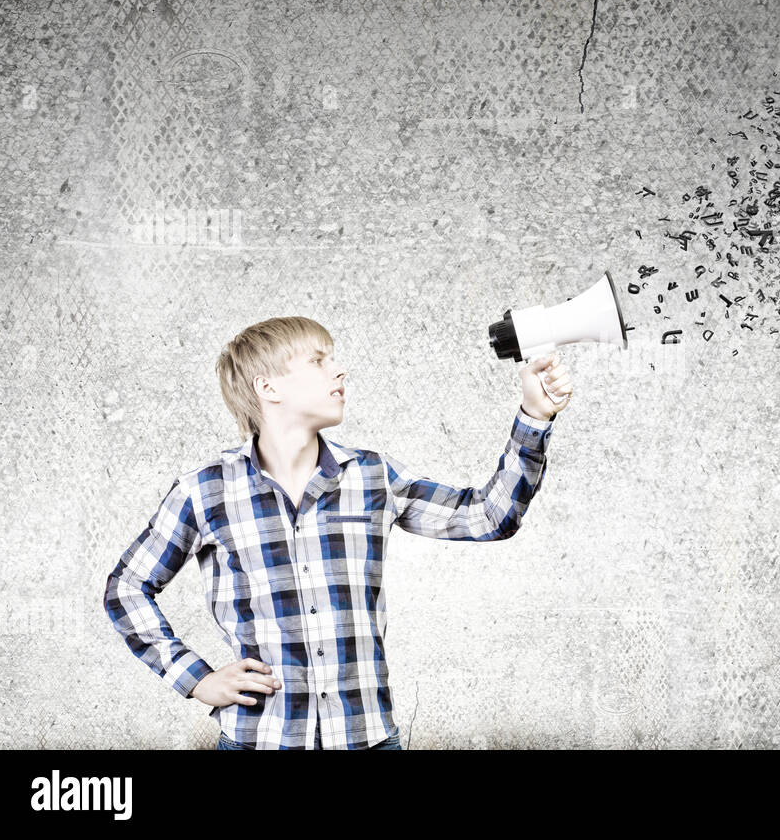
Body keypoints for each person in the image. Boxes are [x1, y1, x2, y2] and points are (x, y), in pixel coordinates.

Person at [103, 316, 572, 749]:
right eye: (318, 361)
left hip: (367, 737)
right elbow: (127, 587)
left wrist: (534, 416)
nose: (340, 371)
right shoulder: (205, 489)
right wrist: (197, 678)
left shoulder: (373, 475)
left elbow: (489, 517)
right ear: (267, 387)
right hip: (258, 740)